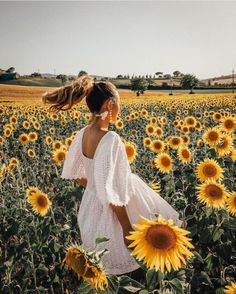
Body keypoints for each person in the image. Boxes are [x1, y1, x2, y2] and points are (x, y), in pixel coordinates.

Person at [42, 75, 183, 277]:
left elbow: (74, 174)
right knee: (133, 271)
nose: (120, 109)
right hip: (115, 213)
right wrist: (126, 228)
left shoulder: (82, 133)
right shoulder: (111, 138)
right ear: (110, 104)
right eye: (118, 103)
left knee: (104, 271)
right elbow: (115, 192)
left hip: (91, 208)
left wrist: (96, 186)